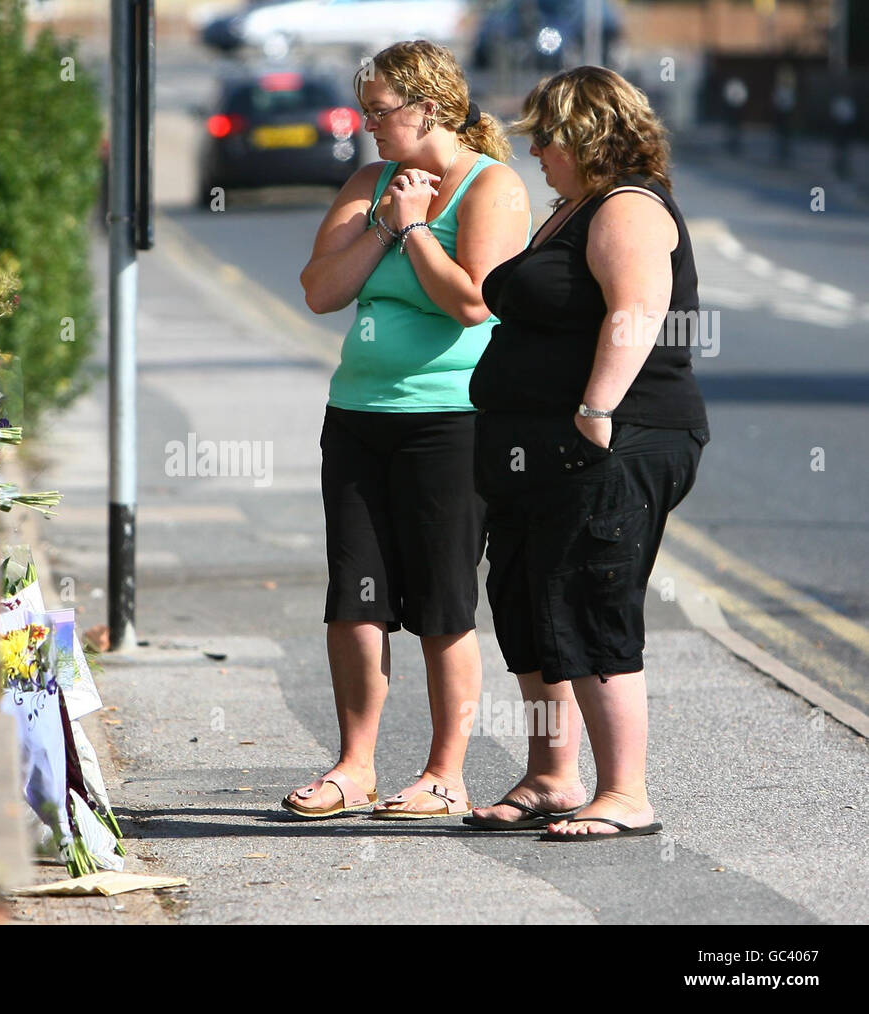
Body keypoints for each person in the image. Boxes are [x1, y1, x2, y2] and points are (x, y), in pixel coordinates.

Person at [286, 40, 530, 819]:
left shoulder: (491, 188)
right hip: (358, 417)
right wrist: (386, 226)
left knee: (441, 603)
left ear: (428, 108)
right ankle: (355, 766)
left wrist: (419, 227)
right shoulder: (369, 185)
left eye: (381, 110)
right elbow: (321, 290)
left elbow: (472, 302)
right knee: (354, 597)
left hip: (451, 423)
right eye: (366, 110)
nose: (369, 125)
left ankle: (443, 773)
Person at [465, 66, 710, 840]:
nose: (533, 147)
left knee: (593, 603)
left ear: (587, 134)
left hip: (615, 440)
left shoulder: (629, 207)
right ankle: (551, 776)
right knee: (533, 608)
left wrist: (596, 410)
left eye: (546, 133)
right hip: (533, 451)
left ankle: (625, 793)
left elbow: (638, 312)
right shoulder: (573, 209)